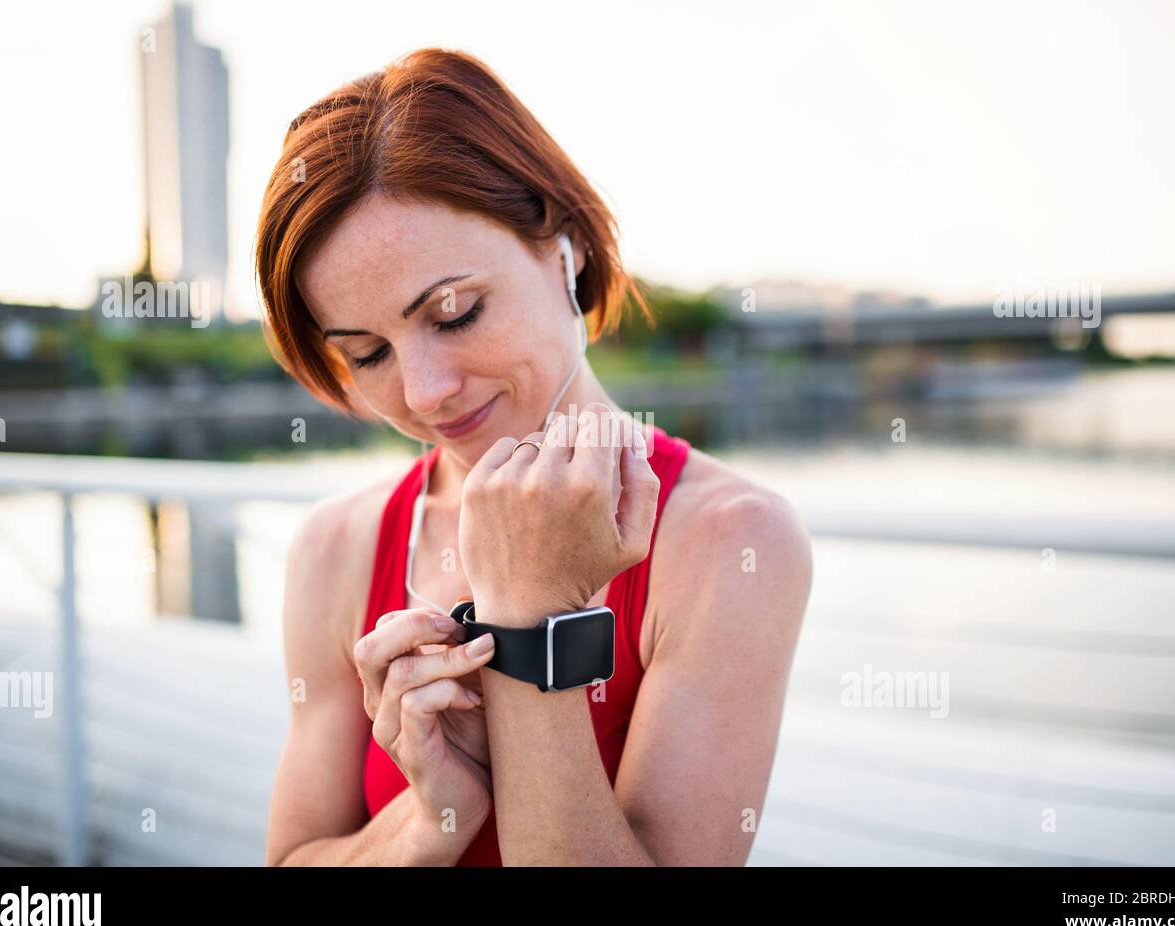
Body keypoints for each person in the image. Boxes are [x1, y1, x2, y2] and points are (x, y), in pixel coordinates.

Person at [258, 48, 812, 866]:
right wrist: (431, 817)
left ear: (565, 245)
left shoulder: (732, 540)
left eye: (455, 312)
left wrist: (528, 617)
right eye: (368, 353)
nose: (425, 392)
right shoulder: (337, 547)